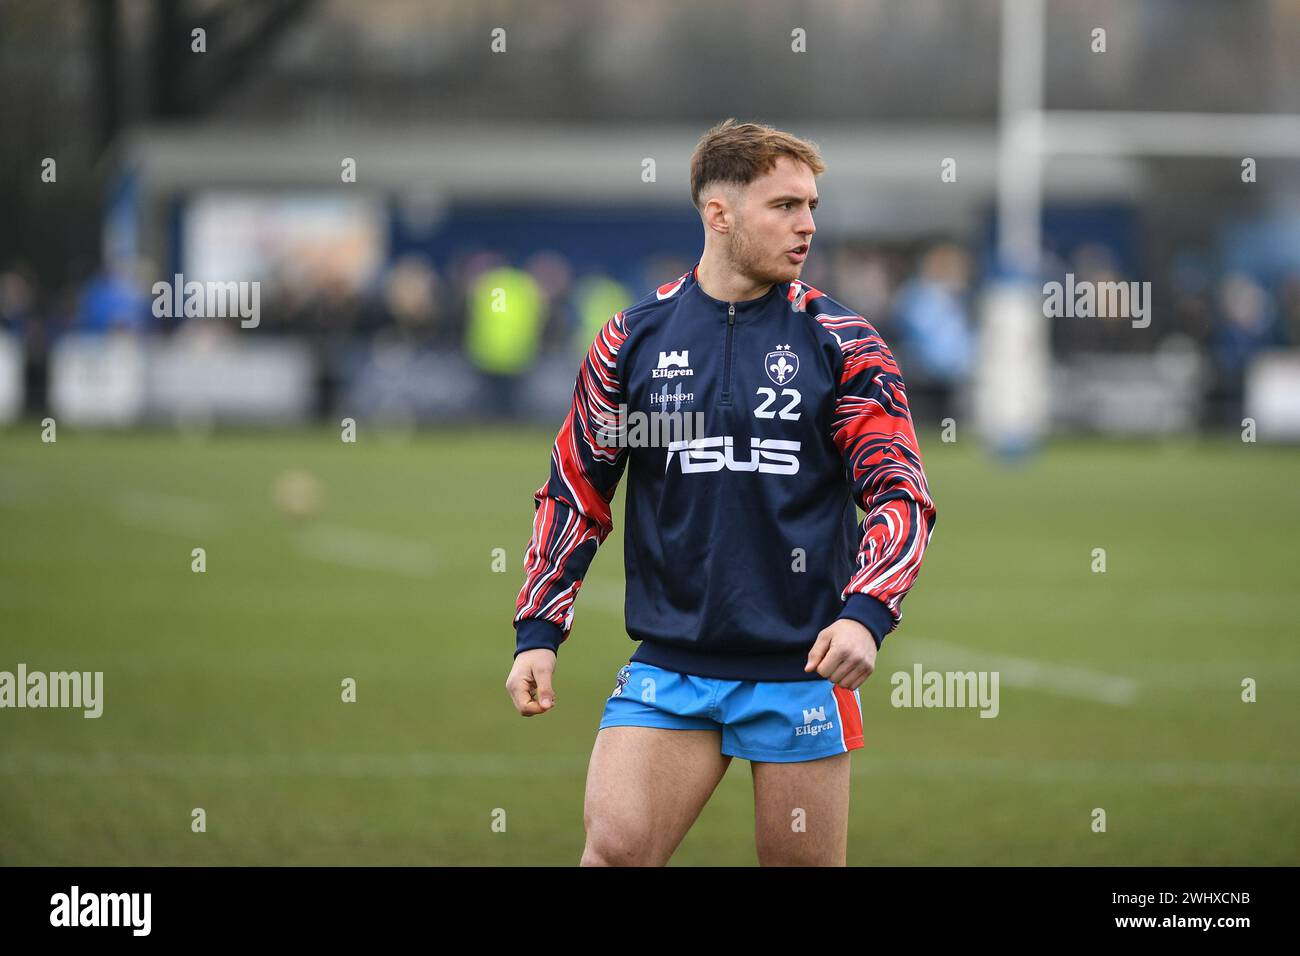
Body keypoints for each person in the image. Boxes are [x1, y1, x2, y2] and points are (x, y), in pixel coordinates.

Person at [505, 119, 937, 866]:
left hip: (801, 673)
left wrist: (866, 614)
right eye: (784, 206)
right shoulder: (631, 340)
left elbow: (899, 493)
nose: (806, 225)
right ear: (719, 214)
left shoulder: (843, 341)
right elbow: (577, 490)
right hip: (670, 667)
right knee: (613, 853)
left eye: (811, 206)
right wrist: (538, 632)